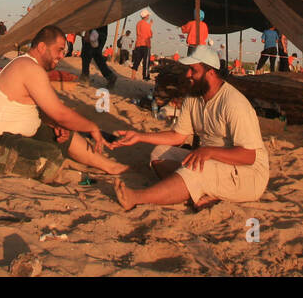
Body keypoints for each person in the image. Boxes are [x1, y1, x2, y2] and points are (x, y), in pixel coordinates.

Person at [111, 45, 270, 210]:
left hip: (248, 174)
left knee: (196, 168)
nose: (188, 75)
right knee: (159, 154)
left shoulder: (234, 103)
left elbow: (249, 156)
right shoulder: (194, 97)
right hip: (213, 160)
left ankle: (136, 197)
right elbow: (178, 136)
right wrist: (139, 136)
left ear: (211, 73)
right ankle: (202, 192)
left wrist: (209, 152)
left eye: (193, 70)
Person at [0, 24, 125, 184]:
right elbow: (61, 114)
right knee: (50, 156)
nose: (62, 55)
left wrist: (54, 123)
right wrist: (92, 128)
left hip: (13, 136)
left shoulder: (29, 66)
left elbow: (41, 110)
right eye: (59, 50)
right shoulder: (28, 68)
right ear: (42, 47)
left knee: (63, 132)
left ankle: (111, 167)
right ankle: (75, 177)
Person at [80, 24, 117, 89]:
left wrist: (88, 31)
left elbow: (93, 18)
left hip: (94, 31)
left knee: (86, 53)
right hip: (103, 33)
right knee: (97, 55)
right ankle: (110, 76)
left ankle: (84, 77)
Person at [132, 10, 154, 80]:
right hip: (146, 44)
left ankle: (133, 75)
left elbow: (141, 32)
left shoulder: (138, 23)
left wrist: (149, 25)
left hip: (138, 44)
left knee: (136, 61)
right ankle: (146, 76)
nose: (148, 16)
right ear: (146, 16)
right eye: (148, 15)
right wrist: (150, 26)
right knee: (146, 62)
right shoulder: (146, 25)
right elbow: (150, 35)